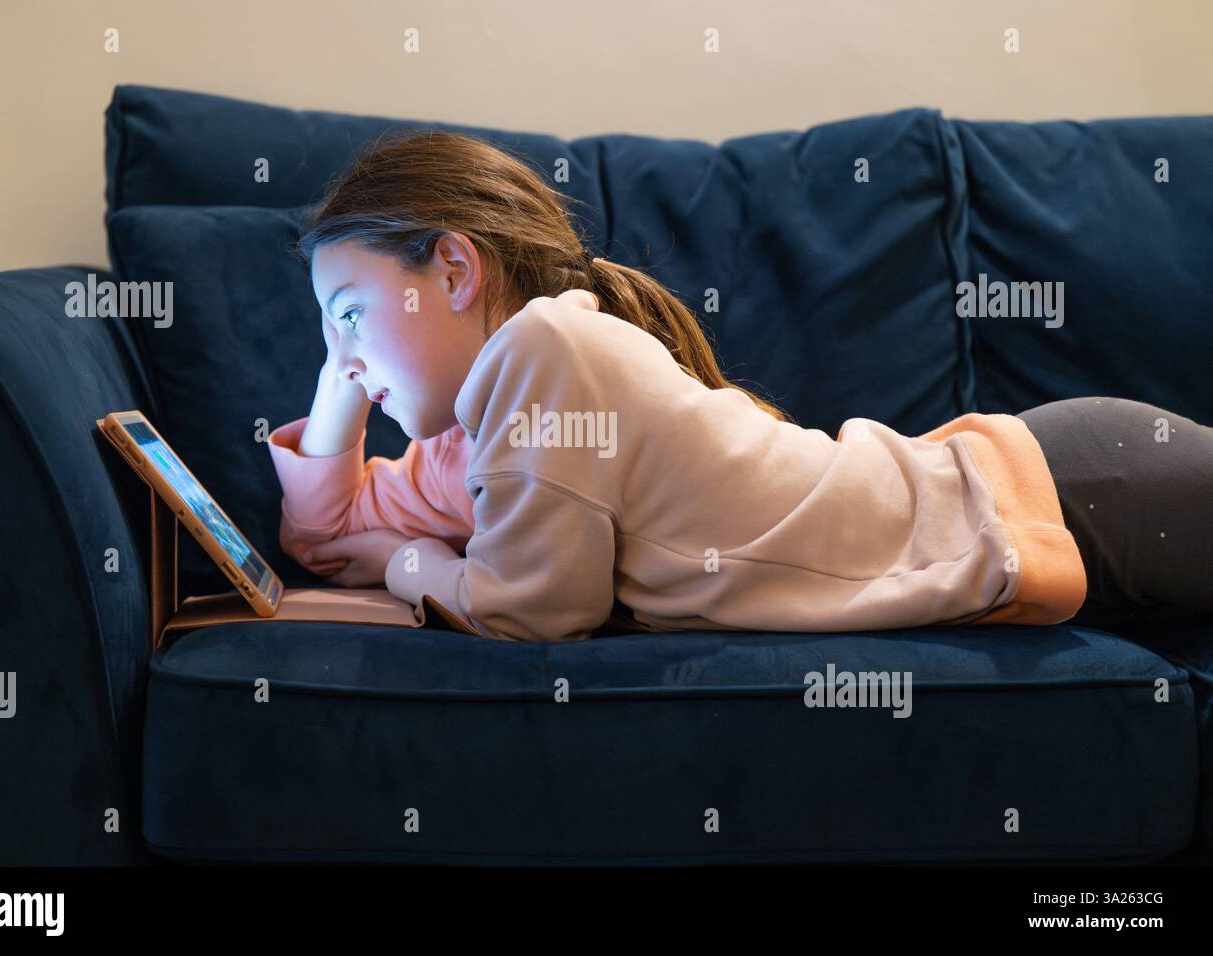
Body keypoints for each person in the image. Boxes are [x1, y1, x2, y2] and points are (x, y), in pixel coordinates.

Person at [266, 129, 1213, 642]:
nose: (339, 355)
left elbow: (532, 611)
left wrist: (404, 563)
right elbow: (323, 532)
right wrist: (342, 372)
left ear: (458, 272)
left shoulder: (546, 357)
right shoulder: (476, 441)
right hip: (1040, 499)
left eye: (350, 311)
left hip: (1075, 489)